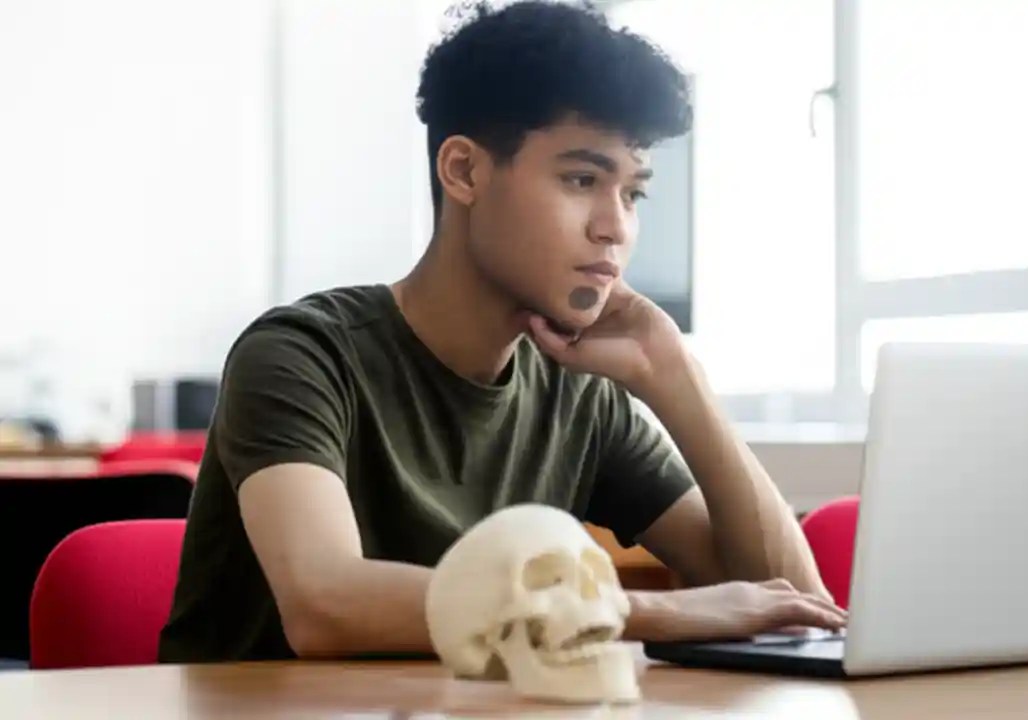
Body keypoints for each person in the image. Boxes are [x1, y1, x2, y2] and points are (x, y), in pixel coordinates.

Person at [158, 0, 843, 663]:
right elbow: (325, 604)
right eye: (581, 179)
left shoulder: (582, 397)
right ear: (463, 171)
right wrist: (643, 613)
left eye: (633, 193)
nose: (617, 227)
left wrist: (677, 378)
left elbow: (792, 605)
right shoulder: (302, 356)